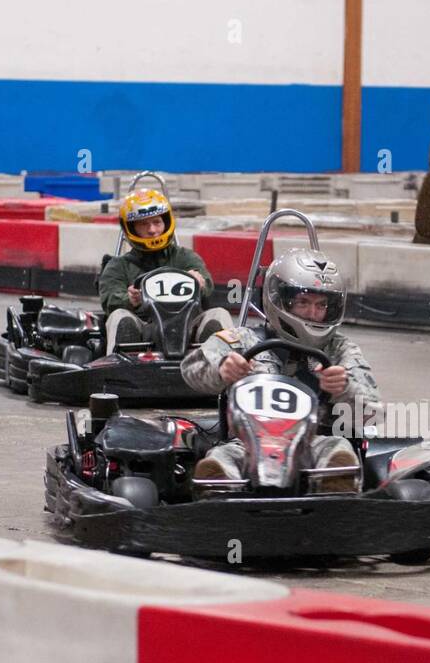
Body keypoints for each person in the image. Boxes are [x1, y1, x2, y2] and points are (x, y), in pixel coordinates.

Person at [181, 248, 379, 494]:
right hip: (247, 443)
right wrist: (222, 370)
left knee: (337, 449)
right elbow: (189, 370)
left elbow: (373, 415)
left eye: (321, 305)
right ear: (279, 299)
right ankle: (222, 491)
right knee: (223, 456)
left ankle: (333, 489)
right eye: (303, 302)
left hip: (312, 442)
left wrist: (345, 389)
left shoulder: (341, 349)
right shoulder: (242, 339)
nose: (312, 313)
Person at [97, 188, 231, 353]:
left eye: (157, 222)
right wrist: (130, 299)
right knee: (119, 316)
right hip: (144, 329)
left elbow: (207, 287)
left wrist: (200, 283)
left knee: (219, 314)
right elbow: (110, 300)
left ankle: (227, 368)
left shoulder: (185, 257)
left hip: (187, 328)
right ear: (131, 228)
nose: (152, 230)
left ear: (166, 222)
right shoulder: (118, 265)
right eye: (144, 224)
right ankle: (119, 372)